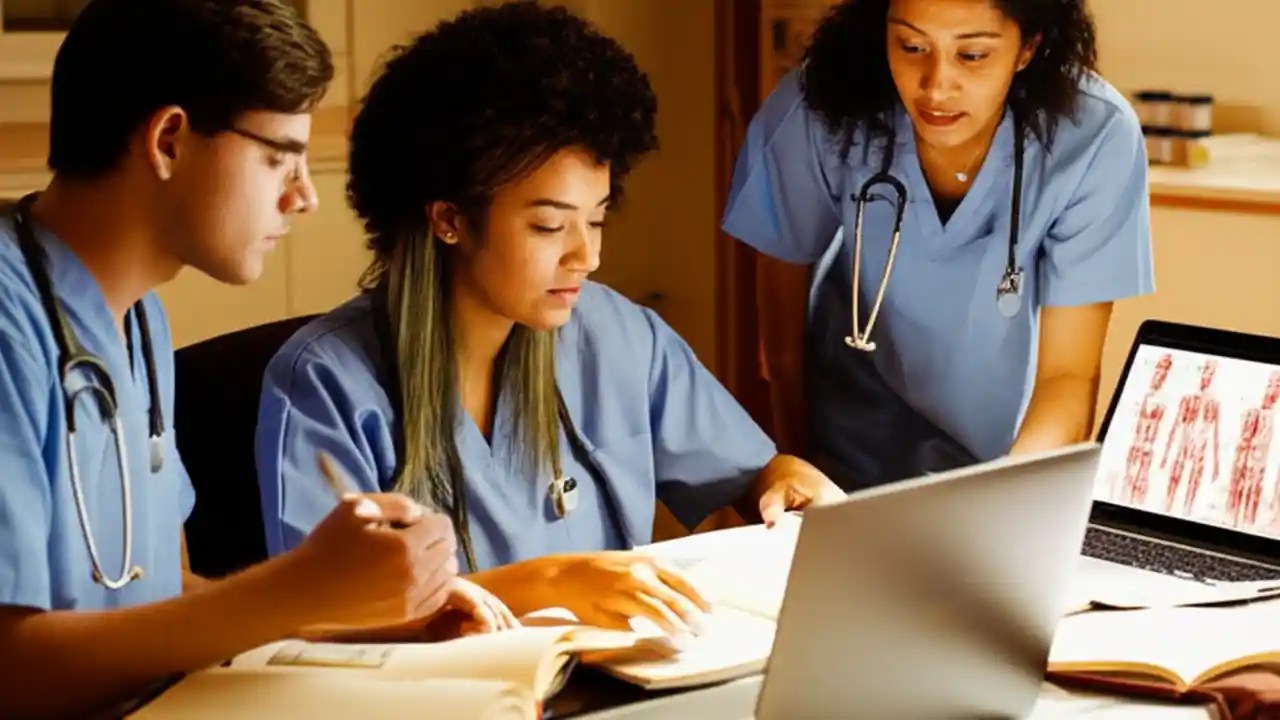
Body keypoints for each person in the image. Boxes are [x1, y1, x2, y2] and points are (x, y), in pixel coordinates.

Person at [255, 1, 843, 638]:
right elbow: (321, 622)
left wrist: (784, 480)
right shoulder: (327, 385)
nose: (587, 256)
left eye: (596, 219)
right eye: (548, 225)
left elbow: (751, 473)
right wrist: (544, 585)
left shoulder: (618, 337)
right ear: (448, 218)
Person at [0, 3, 509, 718]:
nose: (303, 196)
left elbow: (158, 597)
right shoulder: (7, 322)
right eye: (279, 156)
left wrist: (357, 612)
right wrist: (301, 588)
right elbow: (11, 670)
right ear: (170, 141)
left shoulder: (138, 317)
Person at [722, 0, 1155, 490]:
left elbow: (1069, 377)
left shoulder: (1093, 136)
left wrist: (1013, 496)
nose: (935, 86)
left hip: (1002, 452)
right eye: (911, 46)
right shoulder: (820, 104)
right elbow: (779, 351)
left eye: (972, 56)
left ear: (1029, 46)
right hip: (843, 447)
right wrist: (797, 471)